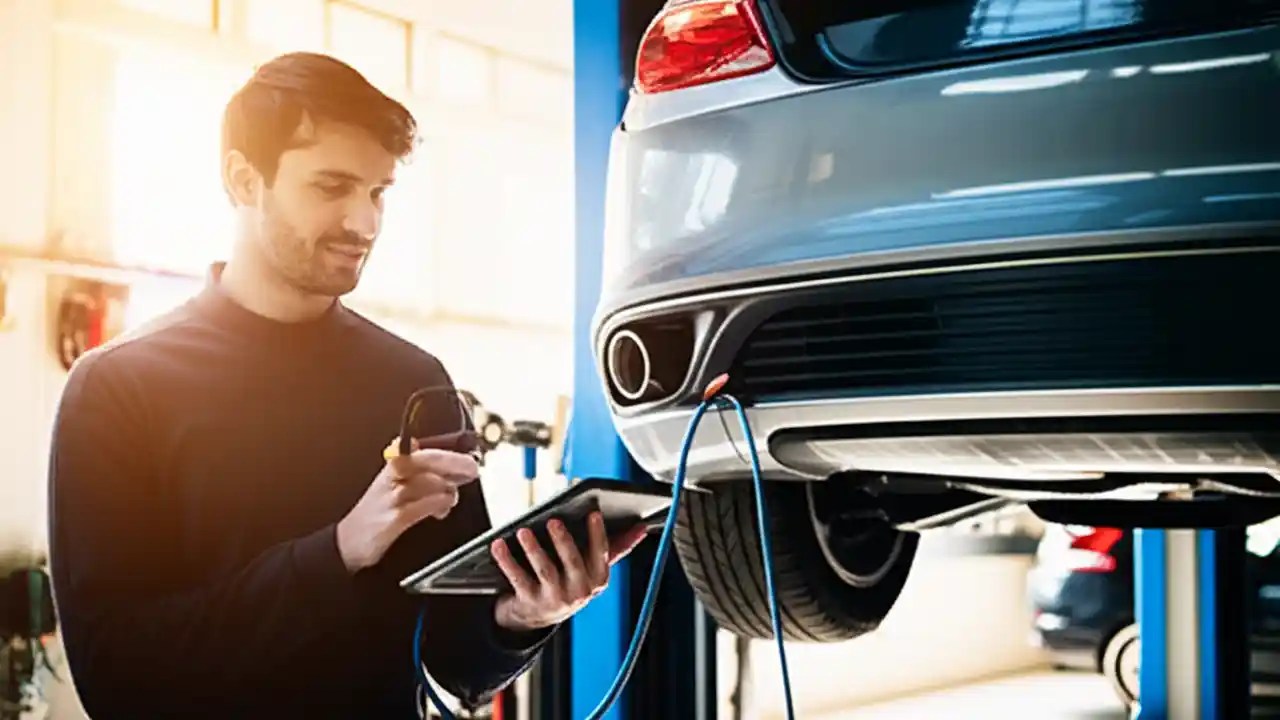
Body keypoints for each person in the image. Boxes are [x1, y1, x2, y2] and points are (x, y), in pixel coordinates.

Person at [46, 52, 648, 719]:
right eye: (331, 187)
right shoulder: (117, 391)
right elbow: (117, 677)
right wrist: (338, 552)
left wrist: (525, 617)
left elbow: (456, 667)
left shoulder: (413, 384)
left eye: (377, 192)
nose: (364, 223)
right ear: (244, 180)